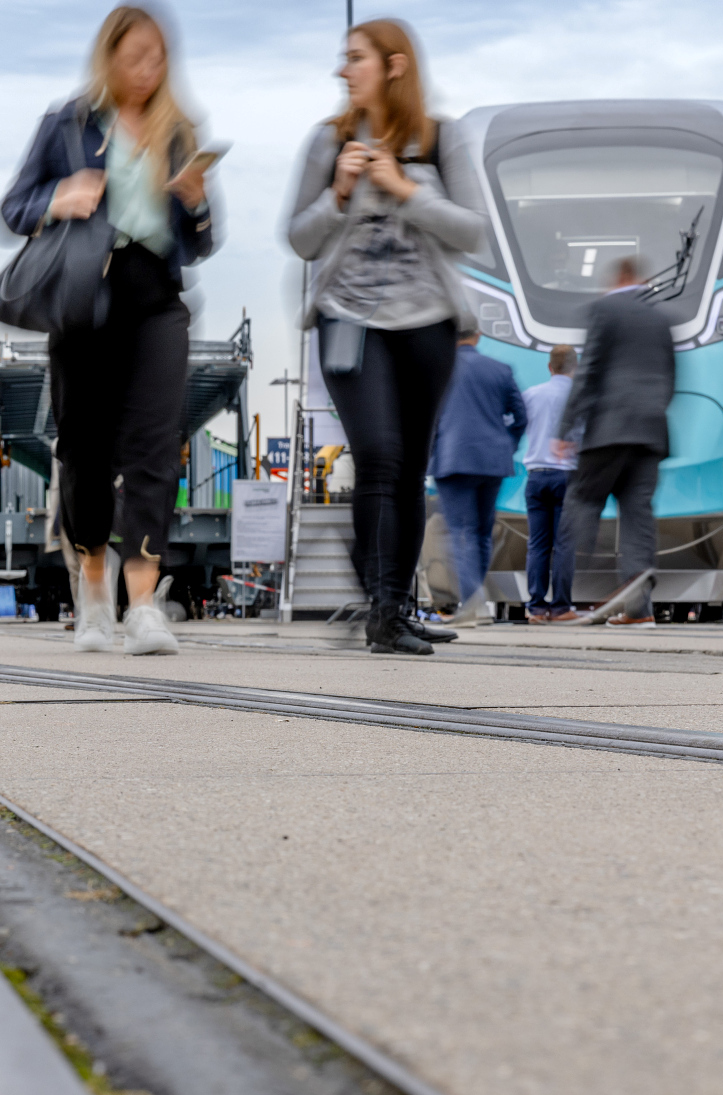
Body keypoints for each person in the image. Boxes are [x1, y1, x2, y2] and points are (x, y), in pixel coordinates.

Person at [2, 7, 218, 656]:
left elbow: (202, 243)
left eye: (158, 57)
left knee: (155, 447)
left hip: (156, 300)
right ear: (109, 58)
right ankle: (92, 590)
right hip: (84, 300)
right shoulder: (66, 124)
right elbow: (12, 208)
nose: (148, 70)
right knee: (85, 451)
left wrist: (196, 202)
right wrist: (58, 198)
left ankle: (144, 601)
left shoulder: (179, 131)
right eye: (135, 58)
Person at [286, 18, 481, 654]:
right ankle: (382, 611)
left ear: (394, 66)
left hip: (426, 322)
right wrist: (339, 194)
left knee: (410, 470)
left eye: (355, 59)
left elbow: (471, 230)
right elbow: (301, 237)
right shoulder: (328, 141)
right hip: (349, 320)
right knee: (379, 454)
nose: (344, 71)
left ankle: (397, 605)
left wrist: (403, 189)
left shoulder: (440, 139)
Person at [554, 256, 675, 628]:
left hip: (610, 427)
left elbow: (588, 370)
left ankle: (572, 572)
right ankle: (639, 609)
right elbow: (670, 376)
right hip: (651, 430)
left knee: (582, 497)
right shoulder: (660, 317)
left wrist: (565, 428)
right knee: (638, 511)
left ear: (619, 276)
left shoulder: (605, 309)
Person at [429, 326, 526, 623]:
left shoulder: (437, 368)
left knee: (460, 533)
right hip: (492, 460)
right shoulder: (499, 369)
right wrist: (506, 445)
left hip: (452, 458)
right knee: (482, 533)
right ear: (478, 335)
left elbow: (426, 418)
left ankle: (474, 603)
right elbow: (521, 417)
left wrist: (433, 451)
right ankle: (476, 601)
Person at [518, 344, 580, 623]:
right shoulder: (581, 397)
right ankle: (561, 607)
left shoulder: (531, 395)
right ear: (575, 367)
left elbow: (516, 424)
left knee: (538, 544)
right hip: (567, 476)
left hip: (536, 476)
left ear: (549, 367)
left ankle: (536, 607)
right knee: (565, 544)